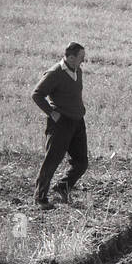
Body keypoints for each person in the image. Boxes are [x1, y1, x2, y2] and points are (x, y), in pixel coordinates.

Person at [32, 42, 90, 208]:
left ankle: (62, 188)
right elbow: (37, 94)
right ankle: (40, 198)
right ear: (71, 58)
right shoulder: (54, 73)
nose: (83, 61)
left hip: (78, 122)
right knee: (52, 161)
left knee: (81, 162)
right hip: (61, 124)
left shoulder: (77, 70)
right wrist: (51, 112)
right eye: (81, 58)